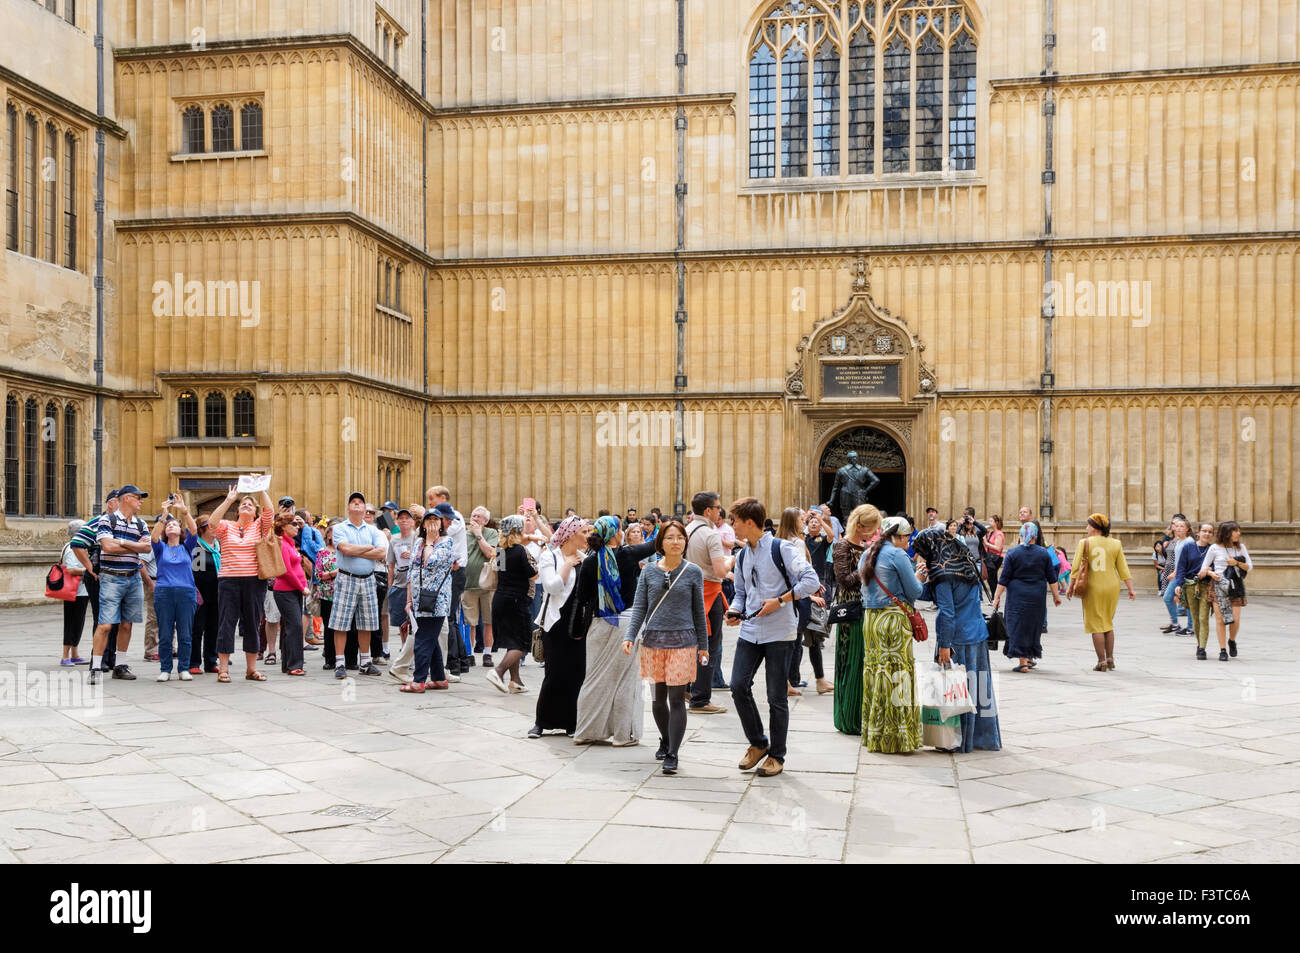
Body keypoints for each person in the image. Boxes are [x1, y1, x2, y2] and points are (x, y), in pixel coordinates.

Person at [725, 496, 821, 778]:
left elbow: (811, 581)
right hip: (750, 630)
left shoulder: (784, 549)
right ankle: (758, 742)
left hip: (780, 632)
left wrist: (780, 601)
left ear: (750, 522)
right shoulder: (742, 555)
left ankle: (777, 755)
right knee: (737, 686)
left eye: (735, 521)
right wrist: (734, 610)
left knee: (776, 696)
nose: (732, 526)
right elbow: (741, 593)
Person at [621, 520, 708, 774]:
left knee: (676, 698)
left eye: (680, 538)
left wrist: (703, 645)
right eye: (670, 537)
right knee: (658, 699)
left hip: (683, 642)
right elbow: (639, 607)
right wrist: (630, 635)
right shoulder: (648, 572)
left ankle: (672, 753)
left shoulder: (693, 571)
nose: (676, 542)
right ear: (661, 543)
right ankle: (666, 738)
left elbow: (698, 611)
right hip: (653, 641)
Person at [911, 524, 1001, 753]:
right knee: (978, 689)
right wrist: (922, 580)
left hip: (957, 637)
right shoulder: (964, 561)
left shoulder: (943, 574)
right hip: (977, 632)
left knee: (956, 689)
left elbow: (947, 611)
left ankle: (957, 739)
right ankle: (981, 738)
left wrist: (944, 645)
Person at [570, 515, 657, 745]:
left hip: (599, 624)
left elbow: (581, 597)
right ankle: (622, 735)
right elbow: (654, 545)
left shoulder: (589, 561)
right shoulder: (627, 554)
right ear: (616, 534)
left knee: (594, 679)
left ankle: (585, 732)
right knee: (626, 681)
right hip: (626, 624)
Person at [857, 516, 925, 752]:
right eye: (908, 537)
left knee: (876, 674)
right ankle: (897, 737)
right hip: (893, 620)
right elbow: (915, 591)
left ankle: (875, 734)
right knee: (897, 677)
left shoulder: (866, 554)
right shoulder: (898, 555)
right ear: (901, 536)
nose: (909, 541)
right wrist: (919, 577)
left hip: (871, 621)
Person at [207, 482, 275, 683]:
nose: (246, 505)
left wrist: (261, 488)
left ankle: (251, 669)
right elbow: (211, 523)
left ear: (255, 512)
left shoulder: (259, 527)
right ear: (237, 509)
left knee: (252, 624)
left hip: (254, 582)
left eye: (251, 504)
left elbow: (269, 511)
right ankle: (224, 669)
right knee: (226, 624)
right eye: (243, 504)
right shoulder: (227, 526)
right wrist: (229, 499)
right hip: (228, 580)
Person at [529, 515, 589, 738]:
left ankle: (572, 723)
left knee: (577, 675)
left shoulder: (586, 558)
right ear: (571, 534)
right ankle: (541, 722)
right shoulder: (550, 557)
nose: (587, 537)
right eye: (583, 532)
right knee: (554, 674)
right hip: (555, 624)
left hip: (578, 624)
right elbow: (552, 587)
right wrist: (566, 566)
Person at [88, 484, 152, 684]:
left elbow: (147, 548)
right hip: (111, 577)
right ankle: (96, 667)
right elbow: (106, 546)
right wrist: (133, 546)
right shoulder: (107, 519)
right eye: (138, 497)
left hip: (133, 577)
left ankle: (120, 665)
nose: (141, 501)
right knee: (105, 624)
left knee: (126, 624)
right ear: (126, 498)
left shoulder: (141, 523)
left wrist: (122, 543)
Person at [832, 503, 881, 735]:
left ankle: (858, 715)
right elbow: (844, 580)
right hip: (850, 612)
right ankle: (847, 718)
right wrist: (867, 562)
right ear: (860, 526)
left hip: (865, 608)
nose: (873, 533)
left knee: (862, 663)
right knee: (849, 663)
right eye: (871, 528)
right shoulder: (841, 545)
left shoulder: (864, 547)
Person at [331, 492, 391, 679]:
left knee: (367, 622)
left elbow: (381, 553)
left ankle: (365, 662)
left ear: (365, 509)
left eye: (360, 503)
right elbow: (345, 549)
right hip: (346, 578)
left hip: (368, 578)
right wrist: (367, 548)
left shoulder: (374, 531)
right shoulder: (340, 528)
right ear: (348, 508)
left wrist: (355, 551)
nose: (357, 505)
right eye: (353, 502)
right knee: (341, 623)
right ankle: (339, 663)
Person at [1067, 513, 1135, 672]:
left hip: (1093, 586)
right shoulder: (1116, 543)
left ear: (1095, 527)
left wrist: (1070, 587)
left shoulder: (1084, 543)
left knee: (1095, 624)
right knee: (1107, 623)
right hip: (1112, 586)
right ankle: (1110, 658)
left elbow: (1075, 568)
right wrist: (1131, 589)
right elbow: (1123, 568)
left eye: (1088, 525)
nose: (1086, 528)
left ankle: (1101, 661)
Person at [684, 491, 732, 715]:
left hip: (689, 590)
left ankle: (687, 689)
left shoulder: (687, 529)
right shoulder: (710, 534)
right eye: (718, 507)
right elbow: (720, 570)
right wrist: (733, 559)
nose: (720, 511)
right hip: (709, 592)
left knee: (691, 644)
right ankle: (701, 699)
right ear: (708, 511)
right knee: (709, 646)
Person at [991, 521, 1060, 672]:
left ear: (1021, 535)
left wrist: (996, 597)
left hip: (1017, 595)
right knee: (1033, 625)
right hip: (1037, 595)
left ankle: (1022, 662)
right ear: (1035, 535)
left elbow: (1004, 578)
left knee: (1017, 625)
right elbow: (1051, 577)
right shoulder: (1044, 553)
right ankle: (1029, 658)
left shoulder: (1013, 553)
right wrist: (1056, 596)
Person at [401, 511, 457, 692]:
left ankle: (418, 681)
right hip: (418, 599)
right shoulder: (418, 542)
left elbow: (430, 562)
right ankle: (439, 678)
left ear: (442, 524)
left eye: (436, 520)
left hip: (436, 601)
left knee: (423, 639)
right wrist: (409, 599)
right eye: (429, 520)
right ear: (423, 524)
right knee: (429, 638)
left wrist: (431, 542)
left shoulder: (447, 543)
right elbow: (411, 571)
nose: (432, 523)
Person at [485, 515, 539, 693]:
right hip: (517, 600)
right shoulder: (520, 551)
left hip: (500, 599)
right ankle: (498, 671)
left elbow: (501, 575)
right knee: (522, 643)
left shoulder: (500, 549)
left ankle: (515, 681)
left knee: (512, 641)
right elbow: (533, 575)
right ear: (517, 530)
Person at [149, 495, 199, 682]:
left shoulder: (188, 547)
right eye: (168, 526)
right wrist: (164, 515)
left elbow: (194, 530)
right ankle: (165, 668)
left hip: (186, 592)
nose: (171, 526)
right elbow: (153, 536)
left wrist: (184, 510)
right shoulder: (160, 548)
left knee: (186, 633)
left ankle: (184, 668)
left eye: (174, 525)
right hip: (164, 593)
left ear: (180, 530)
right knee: (165, 633)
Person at [776, 506, 825, 697]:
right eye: (801, 519)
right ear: (793, 522)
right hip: (798, 597)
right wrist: (810, 592)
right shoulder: (795, 543)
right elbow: (798, 574)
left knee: (790, 641)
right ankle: (787, 682)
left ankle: (789, 680)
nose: (804, 521)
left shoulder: (780, 540)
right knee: (793, 641)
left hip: (788, 596)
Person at [426, 487, 470, 673]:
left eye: (431, 499)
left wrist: (425, 517)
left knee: (447, 617)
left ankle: (454, 662)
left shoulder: (455, 517)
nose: (429, 503)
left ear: (443, 498)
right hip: (450, 572)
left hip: (455, 573)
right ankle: (461, 660)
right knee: (449, 617)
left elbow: (445, 533)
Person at [1199, 521, 1252, 661]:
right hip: (1218, 586)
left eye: (1239, 531)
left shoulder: (1241, 548)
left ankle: (1232, 640)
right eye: (1236, 531)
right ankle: (1222, 650)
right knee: (1220, 620)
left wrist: (1237, 563)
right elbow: (1203, 569)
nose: (1238, 533)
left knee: (1235, 620)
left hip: (1235, 586)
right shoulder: (1214, 548)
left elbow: (1249, 567)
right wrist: (1211, 574)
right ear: (1227, 533)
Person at [800, 507, 834, 694]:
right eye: (810, 521)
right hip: (804, 585)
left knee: (814, 630)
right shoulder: (801, 540)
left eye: (816, 522)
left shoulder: (821, 540)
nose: (813, 523)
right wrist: (806, 517)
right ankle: (793, 678)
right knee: (798, 636)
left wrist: (822, 521)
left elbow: (832, 536)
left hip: (817, 582)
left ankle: (818, 678)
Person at [271, 513, 311, 676]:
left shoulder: (290, 543)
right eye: (293, 524)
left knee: (290, 626)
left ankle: (288, 664)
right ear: (284, 527)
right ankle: (294, 665)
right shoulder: (282, 544)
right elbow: (286, 571)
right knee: (295, 626)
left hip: (292, 590)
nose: (297, 526)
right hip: (285, 590)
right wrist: (302, 587)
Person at [462, 506, 499, 668]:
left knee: (488, 621)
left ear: (485, 521)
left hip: (488, 584)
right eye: (473, 516)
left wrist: (478, 535)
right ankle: (469, 653)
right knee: (470, 622)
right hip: (468, 583)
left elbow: (491, 553)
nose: (475, 519)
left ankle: (487, 653)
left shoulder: (492, 533)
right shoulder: (463, 535)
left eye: (479, 517)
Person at [1174, 523, 1215, 660]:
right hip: (1190, 586)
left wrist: (1209, 570)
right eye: (1204, 531)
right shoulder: (1188, 547)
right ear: (1198, 532)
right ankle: (1199, 643)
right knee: (1196, 618)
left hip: (1206, 586)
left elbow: (1217, 567)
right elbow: (1181, 567)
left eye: (1210, 532)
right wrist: (1178, 584)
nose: (1207, 534)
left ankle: (1202, 648)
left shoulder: (1212, 549)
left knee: (1204, 618)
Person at [189, 516, 221, 673]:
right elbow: (197, 572)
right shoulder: (198, 547)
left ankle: (211, 661)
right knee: (197, 629)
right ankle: (194, 662)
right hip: (201, 595)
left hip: (218, 594)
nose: (215, 528)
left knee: (214, 628)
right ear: (202, 529)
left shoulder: (219, 546)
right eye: (211, 526)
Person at [58, 520, 91, 666]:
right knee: (71, 622)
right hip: (74, 591)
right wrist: (90, 569)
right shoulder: (72, 548)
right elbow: (71, 569)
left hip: (81, 591)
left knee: (78, 622)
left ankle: (75, 654)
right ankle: (65, 656)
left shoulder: (76, 547)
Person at [1159, 517, 1193, 634]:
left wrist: (1176, 573)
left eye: (1181, 526)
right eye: (1177, 526)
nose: (1178, 528)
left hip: (1185, 574)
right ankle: (1175, 624)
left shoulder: (1189, 542)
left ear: (1187, 529)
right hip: (1178, 574)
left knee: (1187, 601)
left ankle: (1191, 627)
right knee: (1168, 597)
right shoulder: (1178, 541)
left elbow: (1188, 561)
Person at [313, 521, 341, 667]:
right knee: (329, 627)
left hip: (344, 594)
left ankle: (345, 658)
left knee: (344, 628)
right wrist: (333, 573)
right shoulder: (322, 552)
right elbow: (318, 575)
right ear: (328, 534)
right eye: (333, 532)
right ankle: (330, 659)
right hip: (327, 595)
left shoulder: (346, 551)